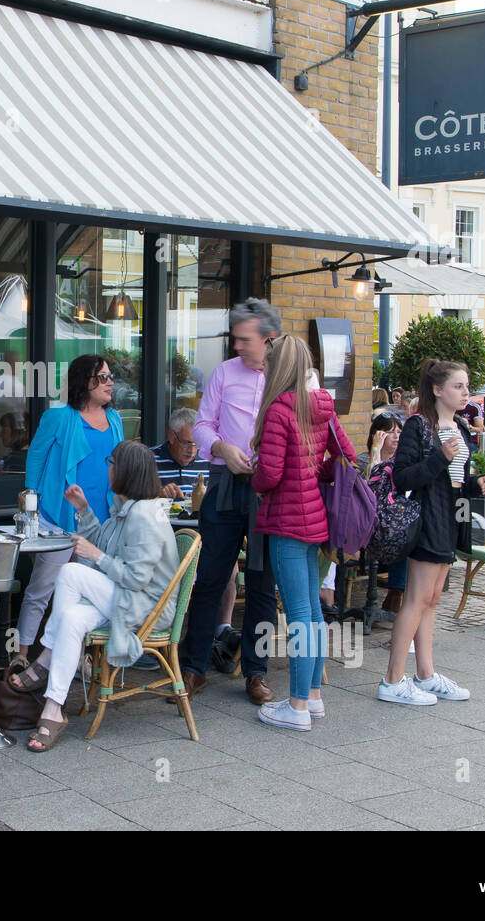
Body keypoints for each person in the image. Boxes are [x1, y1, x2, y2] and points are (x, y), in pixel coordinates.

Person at [10, 441, 178, 752]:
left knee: (73, 573)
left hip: (146, 607)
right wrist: (84, 510)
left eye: (111, 462)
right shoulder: (126, 508)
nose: (108, 468)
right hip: (124, 599)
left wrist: (97, 557)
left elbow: (136, 578)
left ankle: (45, 657)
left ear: (125, 470)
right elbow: (104, 541)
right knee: (72, 618)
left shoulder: (144, 515)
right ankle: (53, 708)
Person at [249, 336, 356, 731]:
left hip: (287, 521)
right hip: (316, 521)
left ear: (278, 367)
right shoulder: (322, 406)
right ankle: (312, 696)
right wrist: (313, 471)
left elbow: (271, 475)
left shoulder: (279, 410)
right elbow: (346, 458)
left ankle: (294, 707)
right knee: (311, 611)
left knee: (297, 616)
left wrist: (256, 473)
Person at [379, 360, 485, 706]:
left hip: (451, 519)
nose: (465, 393)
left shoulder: (459, 426)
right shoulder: (419, 425)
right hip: (428, 519)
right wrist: (441, 458)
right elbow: (403, 478)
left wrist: (478, 484)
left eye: (467, 386)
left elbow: (455, 481)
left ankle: (426, 675)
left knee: (432, 600)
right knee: (416, 599)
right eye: (458, 386)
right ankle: (392, 679)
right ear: (437, 390)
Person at [185, 298, 279, 704]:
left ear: (268, 338)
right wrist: (221, 447)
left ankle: (256, 673)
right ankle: (192, 668)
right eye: (235, 339)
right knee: (209, 578)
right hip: (225, 484)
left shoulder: (291, 376)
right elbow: (201, 424)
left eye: (245, 340)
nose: (237, 346)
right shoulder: (224, 373)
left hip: (270, 490)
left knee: (261, 583)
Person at [17, 354, 124, 656]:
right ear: (84, 381)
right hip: (58, 519)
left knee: (85, 595)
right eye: (102, 377)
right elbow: (36, 456)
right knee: (41, 591)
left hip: (98, 521)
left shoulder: (114, 418)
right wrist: (31, 502)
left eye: (110, 376)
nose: (110, 382)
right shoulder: (59, 417)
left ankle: (77, 658)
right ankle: (22, 656)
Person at [361, 412, 408, 614]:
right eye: (390, 432)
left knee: (404, 535)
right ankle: (396, 593)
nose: (397, 436)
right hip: (367, 522)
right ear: (378, 435)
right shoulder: (363, 460)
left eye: (399, 431)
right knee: (398, 534)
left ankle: (397, 592)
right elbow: (368, 488)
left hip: (393, 522)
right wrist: (376, 453)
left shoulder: (404, 462)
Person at [152, 407, 212, 500]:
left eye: (197, 443)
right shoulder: (149, 459)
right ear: (171, 436)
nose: (192, 451)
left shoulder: (207, 460)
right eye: (186, 443)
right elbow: (134, 497)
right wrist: (157, 494)